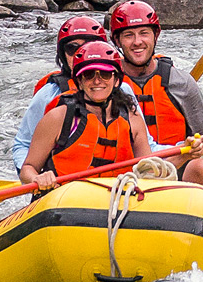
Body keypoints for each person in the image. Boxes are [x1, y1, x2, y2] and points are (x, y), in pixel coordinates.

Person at [106, 0, 203, 191]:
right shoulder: (104, 82)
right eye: (129, 35)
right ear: (117, 41)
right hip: (124, 176)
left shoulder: (180, 82)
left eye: (144, 33)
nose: (137, 42)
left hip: (176, 173)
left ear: (155, 36)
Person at [18, 41, 155, 192]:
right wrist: (36, 178)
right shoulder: (58, 117)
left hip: (118, 199)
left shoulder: (132, 118)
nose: (97, 81)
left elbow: (147, 169)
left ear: (116, 80)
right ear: (80, 81)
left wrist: (183, 156)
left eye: (104, 74)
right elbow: (28, 168)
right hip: (66, 200)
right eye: (89, 75)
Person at [11, 15, 108, 175]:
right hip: (63, 188)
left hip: (115, 186)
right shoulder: (48, 94)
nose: (80, 53)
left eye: (89, 46)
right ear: (63, 54)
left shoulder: (122, 92)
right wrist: (34, 177)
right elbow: (23, 144)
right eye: (72, 48)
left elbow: (147, 147)